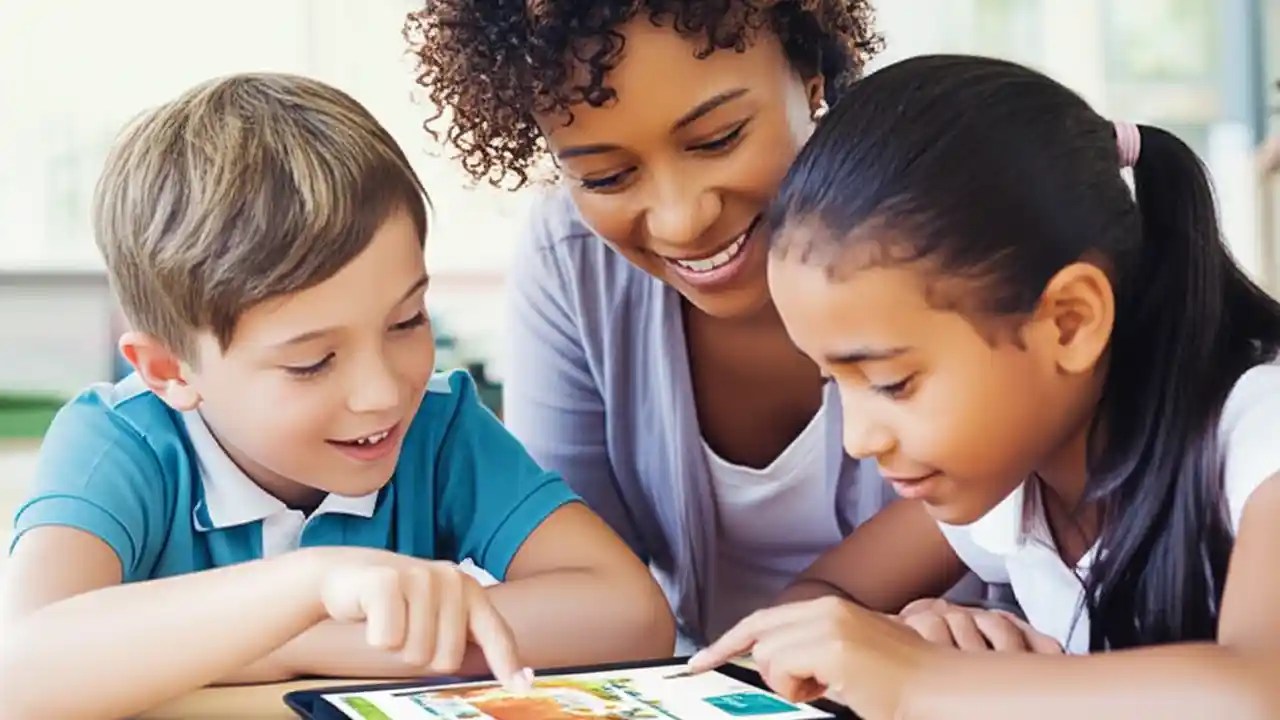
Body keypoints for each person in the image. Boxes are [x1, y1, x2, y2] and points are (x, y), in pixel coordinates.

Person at [0, 73, 674, 720]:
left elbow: (630, 616)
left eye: (408, 322)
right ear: (170, 370)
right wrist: (309, 585)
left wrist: (293, 642)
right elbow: (19, 675)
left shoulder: (439, 430)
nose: (383, 395)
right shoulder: (115, 445)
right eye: (311, 362)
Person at [405, 0, 1011, 650]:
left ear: (810, 79)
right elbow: (578, 582)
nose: (680, 221)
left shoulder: (947, 223)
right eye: (606, 176)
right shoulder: (572, 265)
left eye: (718, 139)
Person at [689, 54, 1280, 718]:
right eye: (835, 383)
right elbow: (818, 603)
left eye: (892, 383)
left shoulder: (1259, 431)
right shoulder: (1018, 480)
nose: (859, 439)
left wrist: (920, 682)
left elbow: (1258, 694)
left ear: (1069, 321)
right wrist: (907, 633)